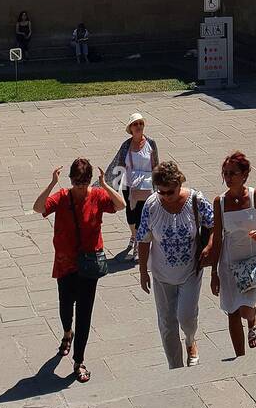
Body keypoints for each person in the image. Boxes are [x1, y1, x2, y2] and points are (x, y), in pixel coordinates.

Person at [32, 157, 124, 384]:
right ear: (71, 180)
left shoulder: (98, 196)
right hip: (65, 263)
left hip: (89, 264)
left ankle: (79, 360)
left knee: (84, 313)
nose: (81, 186)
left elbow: (121, 205)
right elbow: (38, 208)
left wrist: (104, 184)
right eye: (77, 182)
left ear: (90, 180)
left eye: (84, 182)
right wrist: (52, 183)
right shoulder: (63, 197)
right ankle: (66, 333)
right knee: (65, 306)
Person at [136, 161, 214, 369]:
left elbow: (214, 224)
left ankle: (190, 340)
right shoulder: (152, 205)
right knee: (167, 325)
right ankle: (175, 368)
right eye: (161, 191)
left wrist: (209, 247)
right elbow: (143, 239)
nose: (166, 196)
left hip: (190, 271)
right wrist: (143, 271)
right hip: (162, 275)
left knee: (186, 317)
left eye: (170, 191)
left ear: (180, 183)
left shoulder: (196, 200)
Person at [209, 152, 256, 356]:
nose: (228, 178)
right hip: (229, 262)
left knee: (245, 309)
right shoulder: (219, 202)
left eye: (233, 173)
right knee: (231, 312)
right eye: (225, 173)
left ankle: (253, 318)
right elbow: (219, 237)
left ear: (245, 174)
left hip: (253, 259)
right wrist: (214, 272)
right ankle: (240, 357)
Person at [106, 112, 159, 259]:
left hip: (146, 186)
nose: (139, 126)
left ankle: (139, 242)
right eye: (135, 124)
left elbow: (156, 164)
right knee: (131, 216)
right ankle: (134, 235)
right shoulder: (126, 145)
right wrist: (112, 188)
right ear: (130, 128)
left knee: (143, 216)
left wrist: (159, 185)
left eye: (141, 123)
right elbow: (119, 165)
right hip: (129, 186)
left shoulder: (151, 143)